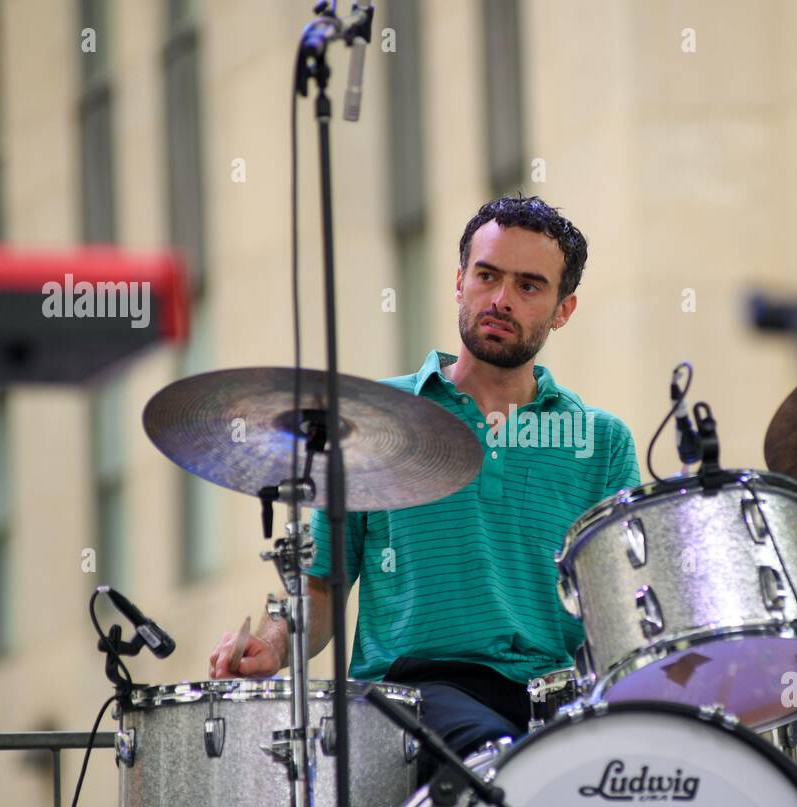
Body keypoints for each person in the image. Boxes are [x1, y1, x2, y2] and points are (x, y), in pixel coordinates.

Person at [209, 195, 640, 773]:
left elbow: (623, 611)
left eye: (529, 286)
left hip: (553, 703)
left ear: (564, 310)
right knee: (502, 765)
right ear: (459, 281)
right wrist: (274, 642)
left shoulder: (602, 441)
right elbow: (321, 588)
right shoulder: (372, 420)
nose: (501, 299)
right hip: (411, 698)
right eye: (487, 276)